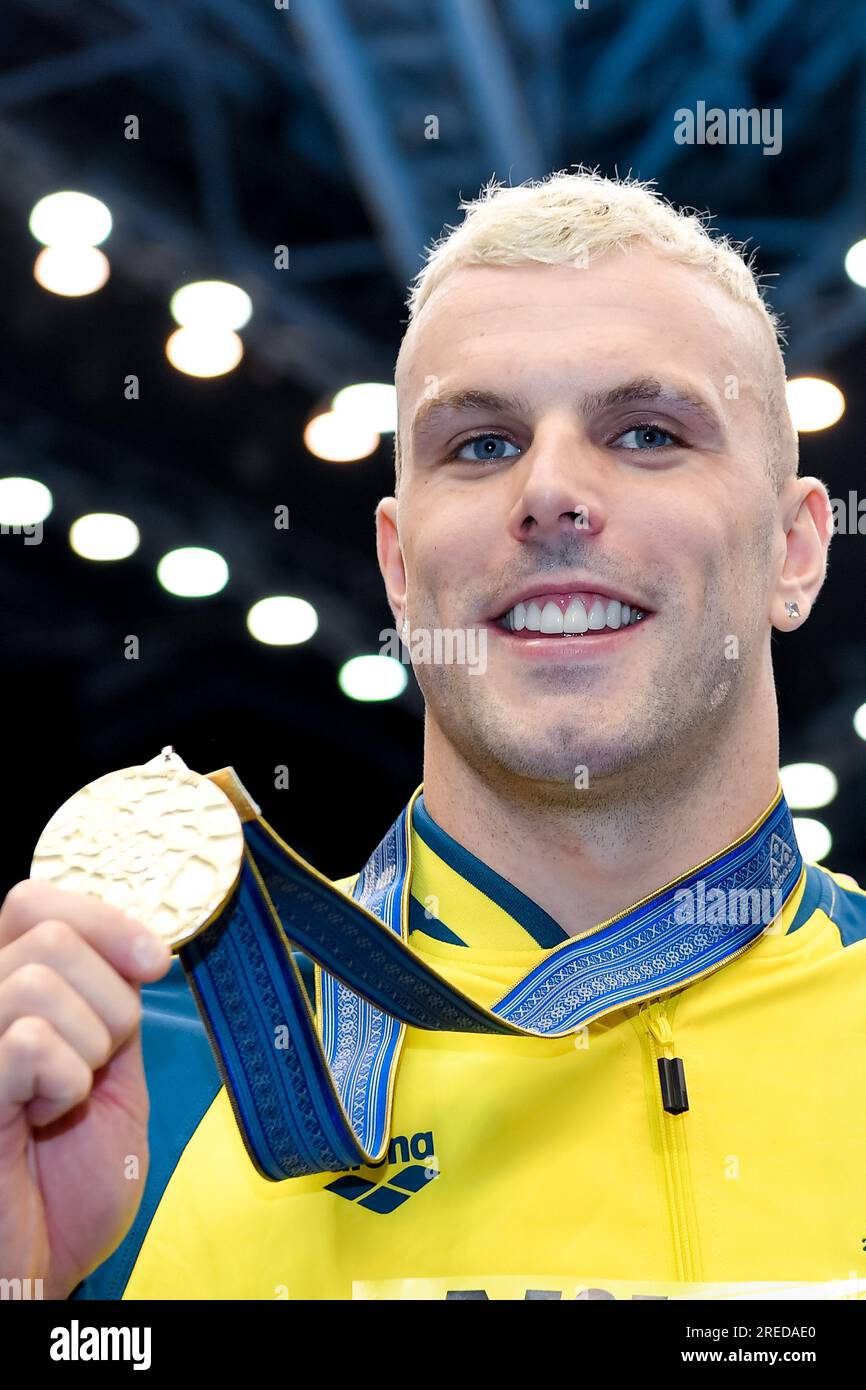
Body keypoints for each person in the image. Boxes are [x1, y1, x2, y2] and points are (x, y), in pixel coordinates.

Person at [2, 169, 864, 1302]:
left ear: (796, 550)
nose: (549, 491)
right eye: (482, 445)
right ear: (400, 570)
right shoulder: (131, 1081)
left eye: (647, 433)